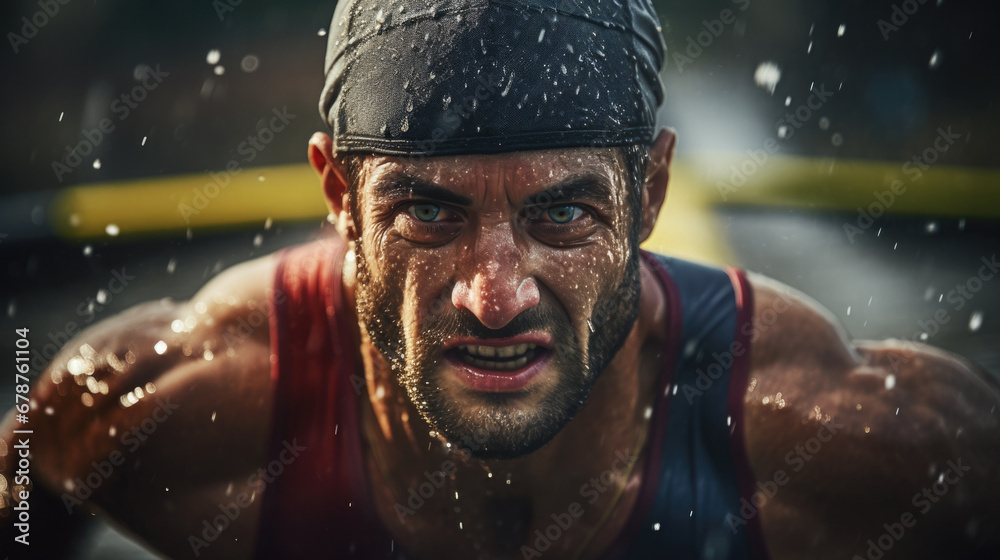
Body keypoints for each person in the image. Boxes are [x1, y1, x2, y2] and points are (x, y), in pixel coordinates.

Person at [2, 1, 999, 559]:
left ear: (649, 191)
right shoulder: (164, 407)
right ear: (338, 193)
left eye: (562, 212)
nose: (494, 294)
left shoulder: (859, 439)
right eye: (429, 211)